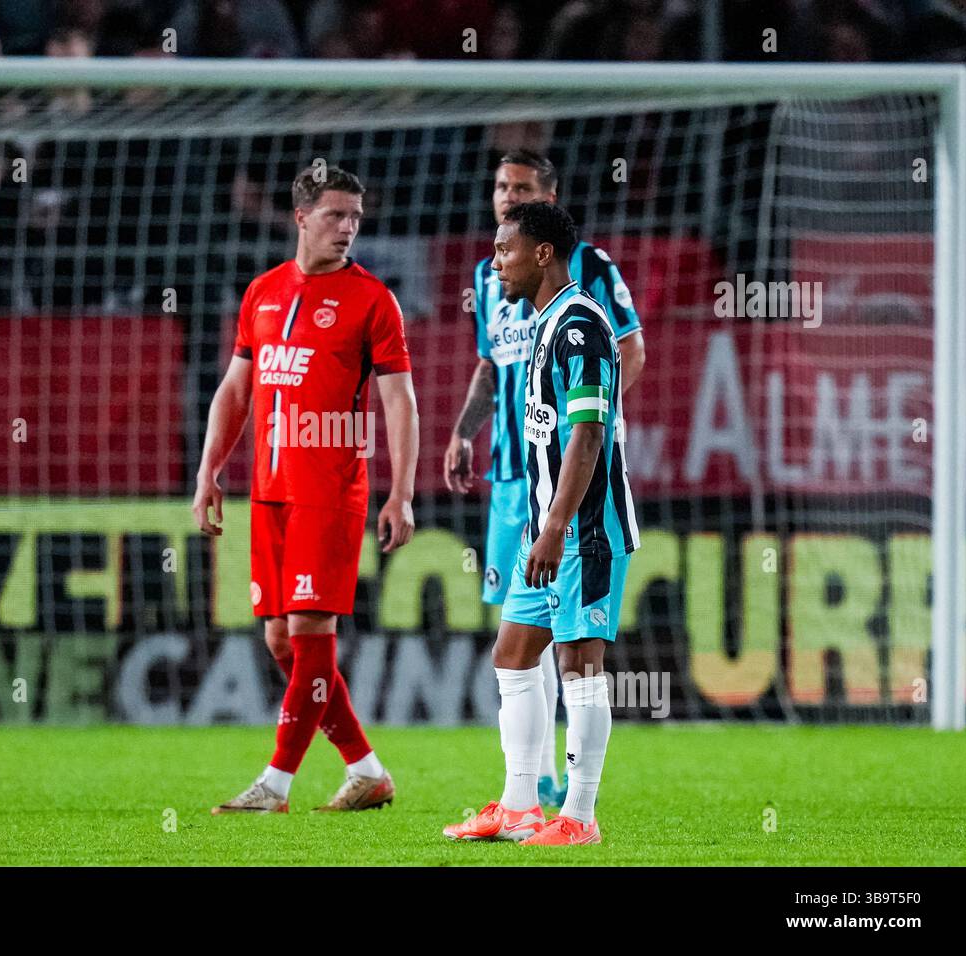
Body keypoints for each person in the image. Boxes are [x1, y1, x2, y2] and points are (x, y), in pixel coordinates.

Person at [193, 166, 419, 813]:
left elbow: (398, 401)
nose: (347, 228)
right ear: (300, 217)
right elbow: (236, 389)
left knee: (311, 630)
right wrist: (210, 470)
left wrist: (400, 491)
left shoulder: (373, 300)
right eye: (334, 215)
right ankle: (367, 771)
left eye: (355, 216)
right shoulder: (262, 292)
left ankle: (275, 784)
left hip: (331, 489)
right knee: (280, 642)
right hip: (270, 490)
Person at [444, 150, 643, 809]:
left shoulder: (582, 322)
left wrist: (557, 522)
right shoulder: (538, 319)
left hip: (580, 522)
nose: (494, 260)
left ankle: (578, 811)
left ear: (542, 252)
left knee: (580, 664)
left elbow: (586, 429)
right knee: (512, 653)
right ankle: (519, 802)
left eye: (507, 250)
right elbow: (497, 377)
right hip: (532, 509)